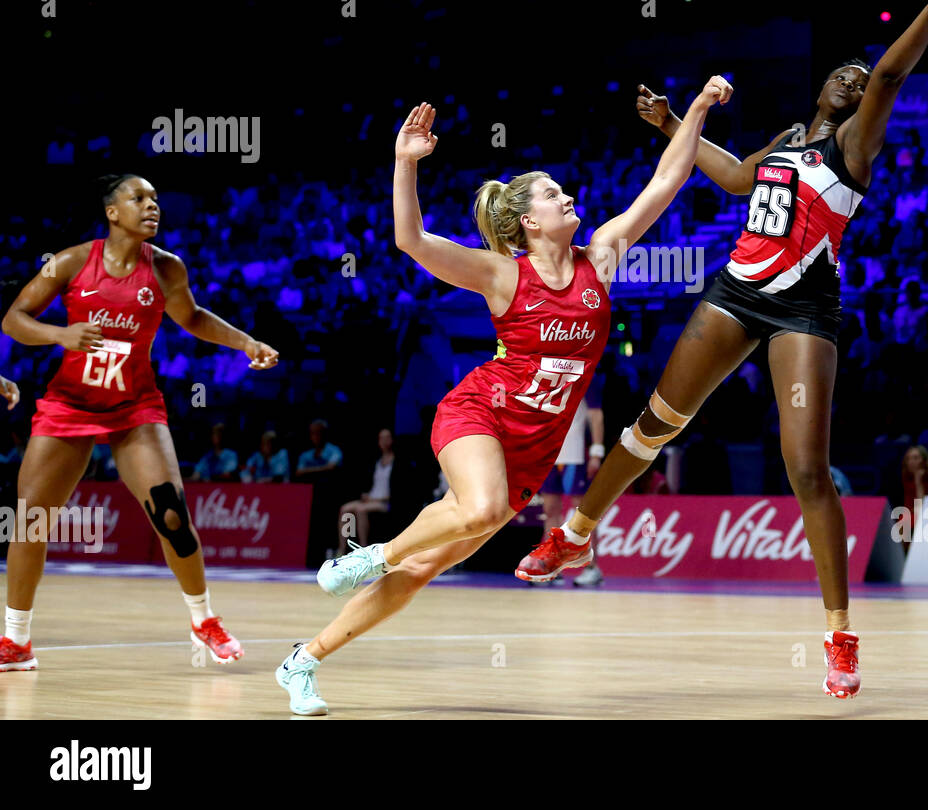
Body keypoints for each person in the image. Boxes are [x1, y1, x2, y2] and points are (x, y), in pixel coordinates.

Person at [515, 0, 928, 700]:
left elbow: (891, 74)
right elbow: (731, 177)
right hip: (735, 289)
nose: (851, 80)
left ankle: (840, 637)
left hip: (804, 309)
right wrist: (671, 126)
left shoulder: (857, 146)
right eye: (842, 73)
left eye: (858, 81)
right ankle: (573, 536)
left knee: (806, 468)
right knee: (653, 425)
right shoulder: (791, 139)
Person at [276, 81, 726, 715]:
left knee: (424, 570)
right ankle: (370, 554)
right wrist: (405, 162)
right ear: (527, 222)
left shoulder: (600, 257)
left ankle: (303, 662)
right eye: (552, 194)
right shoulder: (502, 274)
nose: (568, 197)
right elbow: (412, 241)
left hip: (533, 448)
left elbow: (667, 179)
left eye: (564, 191)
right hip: (478, 413)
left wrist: (699, 107)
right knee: (482, 509)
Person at [0, 174, 278, 672]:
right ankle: (16, 642)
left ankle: (204, 621)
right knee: (31, 523)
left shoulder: (166, 269)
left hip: (135, 409)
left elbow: (192, 318)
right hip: (68, 405)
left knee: (171, 514)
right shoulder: (69, 262)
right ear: (112, 213)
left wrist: (246, 343)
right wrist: (60, 335)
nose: (152, 206)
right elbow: (14, 319)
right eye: (139, 199)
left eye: (154, 199)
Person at [536, 384, 605, 587]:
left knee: (583, 515)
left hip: (575, 455)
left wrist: (596, 452)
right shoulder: (547, 380)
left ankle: (593, 568)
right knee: (550, 511)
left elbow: (596, 416)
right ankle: (551, 566)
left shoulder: (585, 378)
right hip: (550, 456)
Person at [336, 428, 397, 554]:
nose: (384, 441)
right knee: (345, 510)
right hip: (371, 499)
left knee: (360, 510)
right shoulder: (376, 461)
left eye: (387, 438)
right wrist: (367, 495)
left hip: (385, 502)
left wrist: (375, 499)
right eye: (381, 438)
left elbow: (398, 490)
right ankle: (343, 549)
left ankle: (363, 550)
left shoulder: (398, 462)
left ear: (392, 440)